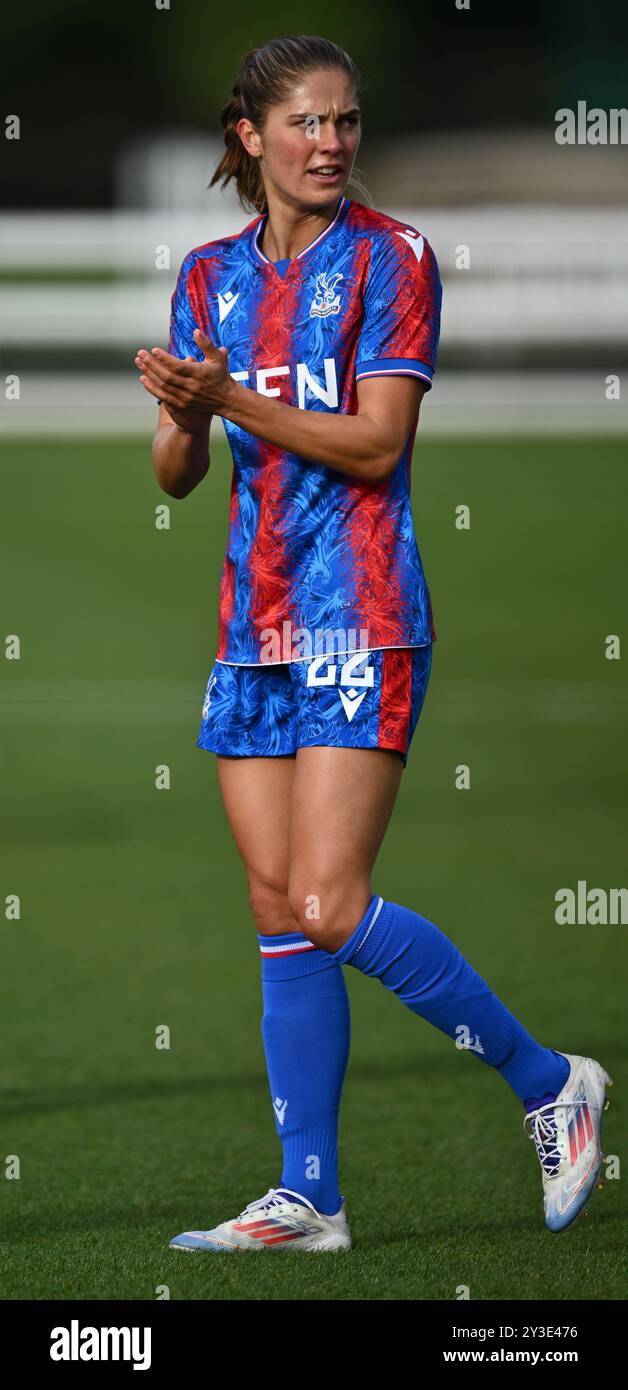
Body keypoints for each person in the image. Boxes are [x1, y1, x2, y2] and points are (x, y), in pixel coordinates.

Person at [135, 35, 612, 1254]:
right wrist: (186, 419)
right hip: (254, 627)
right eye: (306, 122)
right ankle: (310, 1197)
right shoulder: (205, 278)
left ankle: (548, 1080)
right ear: (252, 136)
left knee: (329, 900)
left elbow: (374, 445)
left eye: (346, 121)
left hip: (361, 615)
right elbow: (180, 476)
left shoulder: (392, 259)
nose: (332, 142)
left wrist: (228, 396)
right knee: (273, 906)